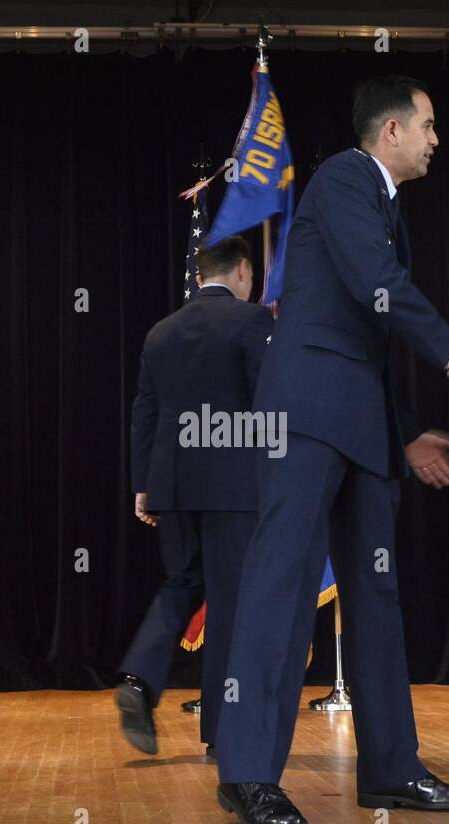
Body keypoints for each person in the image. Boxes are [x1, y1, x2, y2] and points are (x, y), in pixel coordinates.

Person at [214, 76, 449, 824]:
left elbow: (362, 339)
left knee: (379, 599)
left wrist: (402, 433)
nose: (436, 138)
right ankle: (247, 774)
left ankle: (392, 768)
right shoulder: (342, 177)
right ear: (390, 130)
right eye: (428, 124)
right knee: (283, 587)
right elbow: (378, 289)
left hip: (363, 429)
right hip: (305, 418)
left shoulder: (384, 204)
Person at [116, 236, 273, 756]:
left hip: (174, 485)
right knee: (229, 603)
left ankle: (139, 678)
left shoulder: (160, 332)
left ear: (201, 274)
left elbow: (145, 414)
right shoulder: (253, 323)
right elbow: (268, 403)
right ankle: (223, 734)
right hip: (234, 488)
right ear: (244, 272)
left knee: (181, 583)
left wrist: (144, 485)